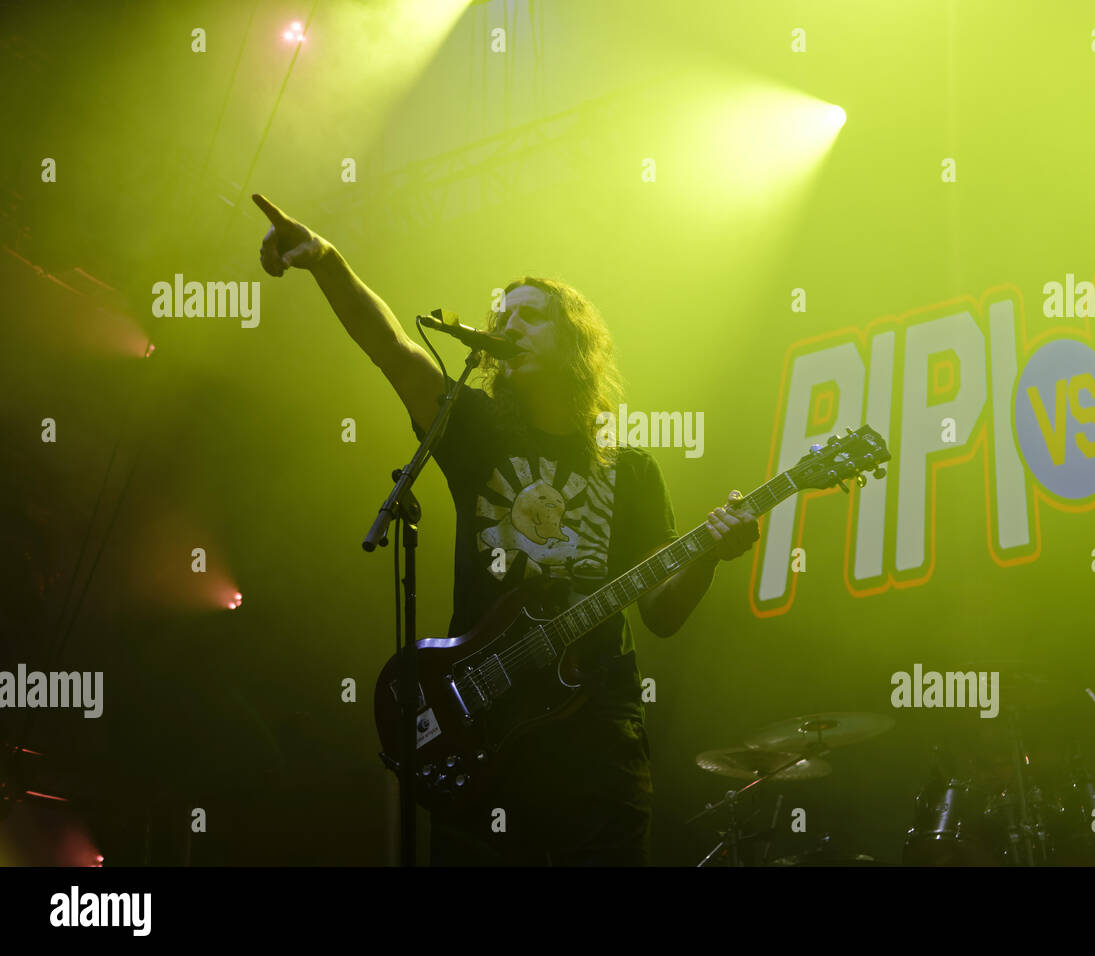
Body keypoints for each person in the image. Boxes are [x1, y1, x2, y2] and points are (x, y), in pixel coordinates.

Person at [252, 194, 759, 864]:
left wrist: (711, 556)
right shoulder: (476, 432)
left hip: (595, 741)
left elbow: (662, 613)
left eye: (531, 316)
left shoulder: (630, 470)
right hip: (481, 724)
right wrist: (327, 261)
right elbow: (393, 349)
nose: (509, 325)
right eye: (503, 316)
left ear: (575, 340)